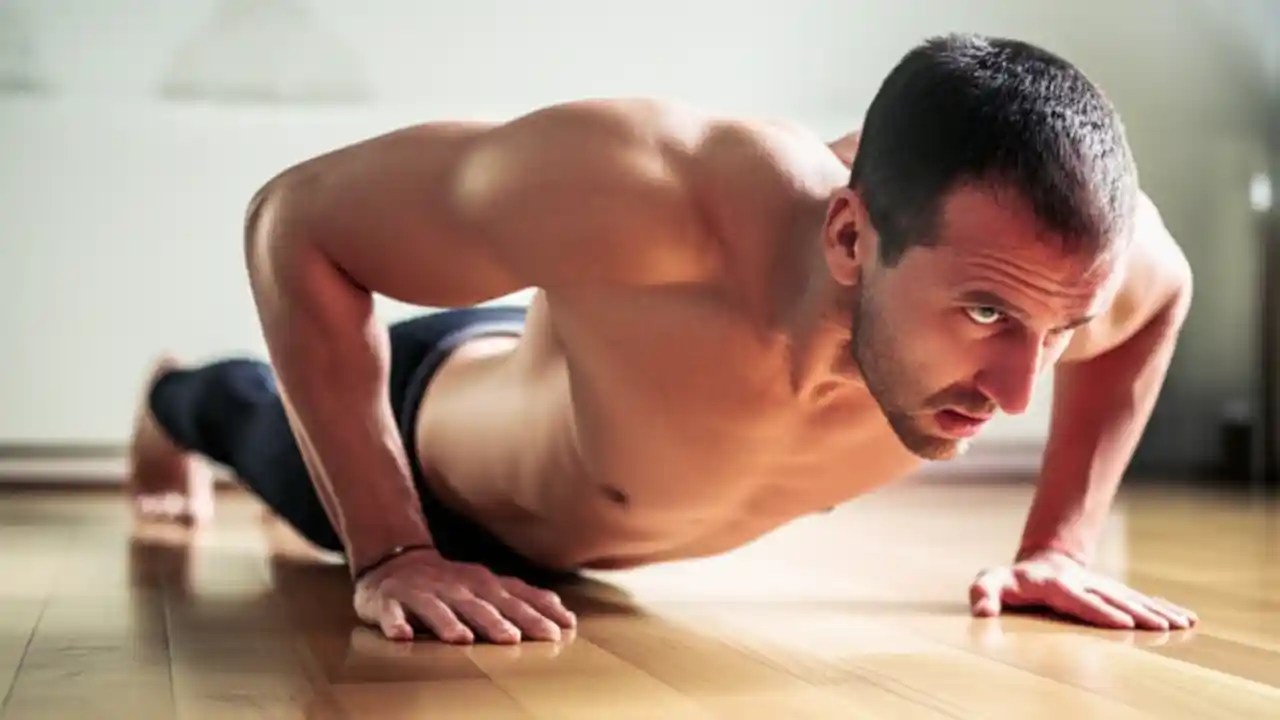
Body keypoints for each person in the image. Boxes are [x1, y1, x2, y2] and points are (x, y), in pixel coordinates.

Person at [127, 33, 1199, 644]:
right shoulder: (655, 193)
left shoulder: (1055, 263)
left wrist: (1056, 544)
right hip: (443, 462)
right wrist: (394, 550)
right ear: (844, 233)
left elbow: (1159, 299)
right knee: (237, 412)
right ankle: (165, 398)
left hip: (582, 434)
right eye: (983, 315)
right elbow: (296, 222)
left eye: (1056, 329)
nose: (1018, 391)